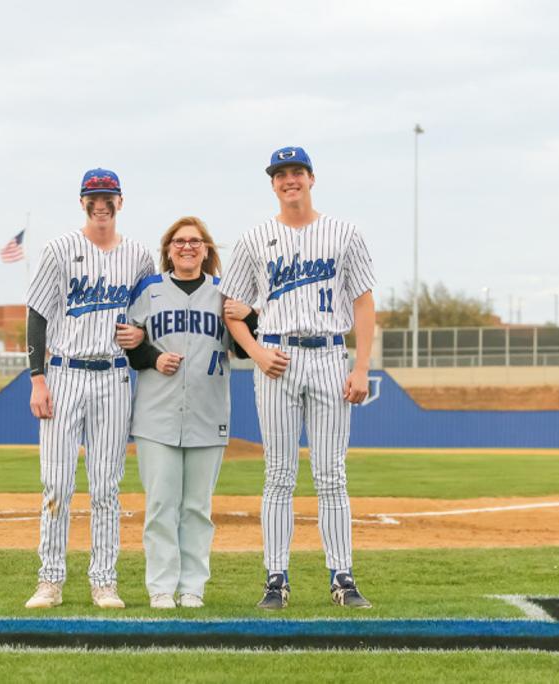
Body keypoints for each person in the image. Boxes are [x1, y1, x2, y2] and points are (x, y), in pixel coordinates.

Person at [220, 146, 377, 610]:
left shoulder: (344, 233)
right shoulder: (254, 238)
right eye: (281, 174)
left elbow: (364, 302)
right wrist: (254, 351)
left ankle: (342, 578)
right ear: (273, 183)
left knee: (331, 475)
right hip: (277, 355)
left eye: (297, 172)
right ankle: (276, 578)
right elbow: (231, 308)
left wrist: (361, 366)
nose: (289, 180)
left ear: (311, 178)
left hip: (329, 354)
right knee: (279, 475)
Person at [24, 168, 152, 609]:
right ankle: (50, 580)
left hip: (114, 374)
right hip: (64, 372)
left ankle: (104, 580)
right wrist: (37, 378)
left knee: (106, 487)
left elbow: (145, 315)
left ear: (121, 201)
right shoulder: (59, 248)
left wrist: (140, 336)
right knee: (56, 482)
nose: (101, 204)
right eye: (93, 197)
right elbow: (38, 313)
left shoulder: (138, 254)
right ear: (82, 202)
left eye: (108, 196)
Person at [125, 217, 254, 609]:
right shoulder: (149, 290)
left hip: (208, 411)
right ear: (167, 248)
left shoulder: (223, 292)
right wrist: (152, 356)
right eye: (179, 241)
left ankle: (192, 587)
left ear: (207, 249)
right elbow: (129, 341)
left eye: (195, 241)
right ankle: (161, 587)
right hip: (156, 414)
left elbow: (246, 348)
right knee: (162, 505)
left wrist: (250, 315)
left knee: (197, 508)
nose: (187, 247)